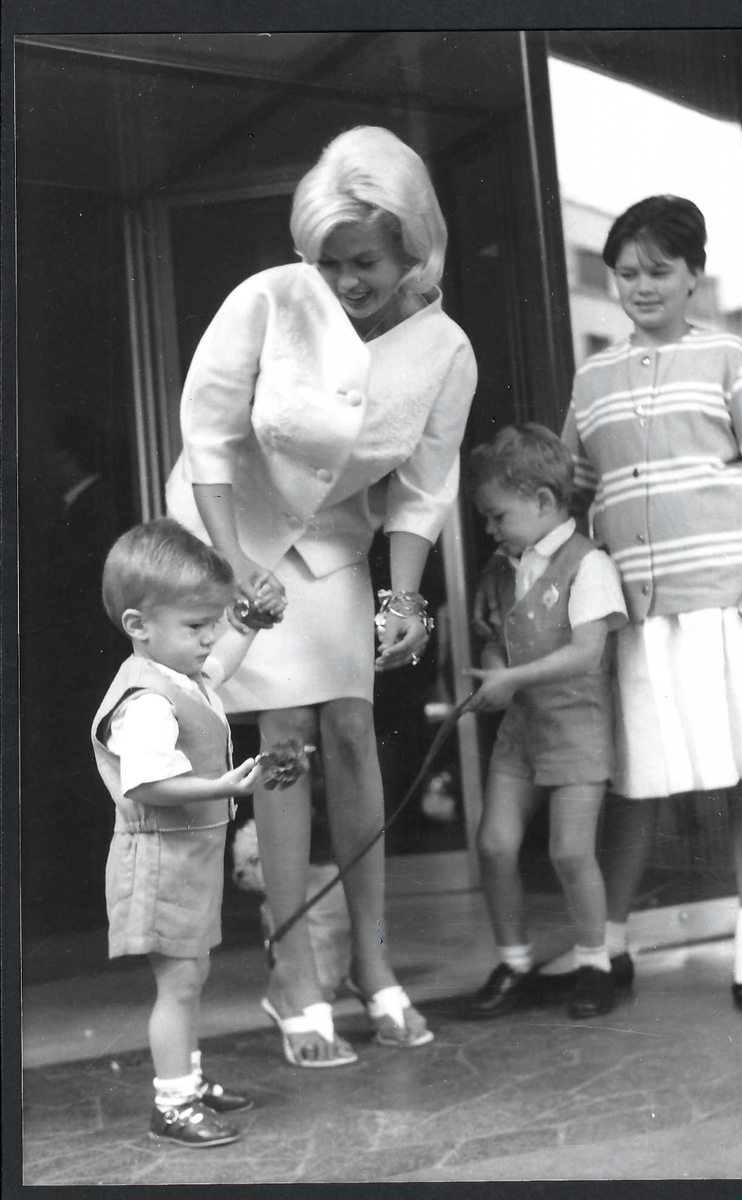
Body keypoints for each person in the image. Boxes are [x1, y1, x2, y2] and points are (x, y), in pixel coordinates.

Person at [166, 126, 478, 1062]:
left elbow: (423, 489)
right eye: (329, 260)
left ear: (413, 247)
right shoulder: (268, 299)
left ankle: (372, 965)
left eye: (367, 262)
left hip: (334, 548)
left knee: (350, 726)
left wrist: (405, 599)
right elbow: (209, 432)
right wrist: (228, 569)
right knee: (286, 737)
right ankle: (294, 972)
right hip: (227, 534)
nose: (346, 281)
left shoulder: (444, 351)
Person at [561, 195, 742, 1011]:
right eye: (624, 273)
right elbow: (574, 482)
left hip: (732, 599)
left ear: (693, 278)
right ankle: (606, 944)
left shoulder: (730, 357)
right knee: (639, 780)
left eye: (659, 271)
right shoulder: (594, 374)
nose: (640, 286)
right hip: (644, 613)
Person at [91, 518, 285, 1147]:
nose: (209, 639)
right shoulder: (146, 698)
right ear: (139, 626)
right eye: (196, 627)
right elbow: (147, 785)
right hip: (158, 862)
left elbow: (224, 662)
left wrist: (247, 624)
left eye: (212, 623)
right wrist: (224, 788)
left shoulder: (182, 674)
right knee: (177, 985)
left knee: (191, 979)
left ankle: (189, 1081)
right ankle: (171, 1103)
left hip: (186, 858)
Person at [461, 425, 628, 1020]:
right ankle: (514, 961)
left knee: (570, 851)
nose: (489, 529)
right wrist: (494, 673)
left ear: (541, 501)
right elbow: (493, 639)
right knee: (495, 841)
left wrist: (512, 681)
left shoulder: (589, 565)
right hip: (523, 729)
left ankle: (595, 964)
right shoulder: (503, 566)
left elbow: (588, 652)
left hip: (577, 726)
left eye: (496, 516)